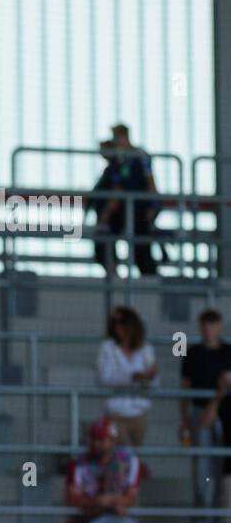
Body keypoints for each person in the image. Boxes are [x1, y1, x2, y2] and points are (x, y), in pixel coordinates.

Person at [179, 308, 231, 521]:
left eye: (212, 325)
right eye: (205, 326)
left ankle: (219, 514)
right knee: (203, 465)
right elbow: (185, 389)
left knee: (223, 465)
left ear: (220, 326)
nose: (208, 330)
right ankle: (203, 515)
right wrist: (184, 419)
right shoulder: (192, 353)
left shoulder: (228, 352)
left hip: (227, 413)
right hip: (201, 412)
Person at [89, 124, 161, 276]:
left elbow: (150, 182)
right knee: (105, 242)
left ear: (123, 136)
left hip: (138, 209)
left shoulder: (138, 156)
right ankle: (114, 274)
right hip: (124, 210)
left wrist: (153, 206)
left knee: (141, 248)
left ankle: (148, 278)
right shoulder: (120, 160)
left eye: (116, 137)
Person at [96, 306, 158, 447]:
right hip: (116, 412)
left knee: (135, 458)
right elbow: (104, 378)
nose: (118, 326)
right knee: (124, 455)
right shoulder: (107, 348)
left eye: (122, 322)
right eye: (114, 322)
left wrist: (148, 377)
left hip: (139, 412)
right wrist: (133, 377)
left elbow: (154, 382)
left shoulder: (145, 349)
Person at [65, 417, 140, 523]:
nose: (96, 444)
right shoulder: (78, 464)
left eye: (101, 439)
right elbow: (73, 499)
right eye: (93, 438)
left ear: (113, 440)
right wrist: (97, 502)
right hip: (86, 520)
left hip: (118, 520)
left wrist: (109, 501)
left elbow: (131, 498)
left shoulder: (129, 462)